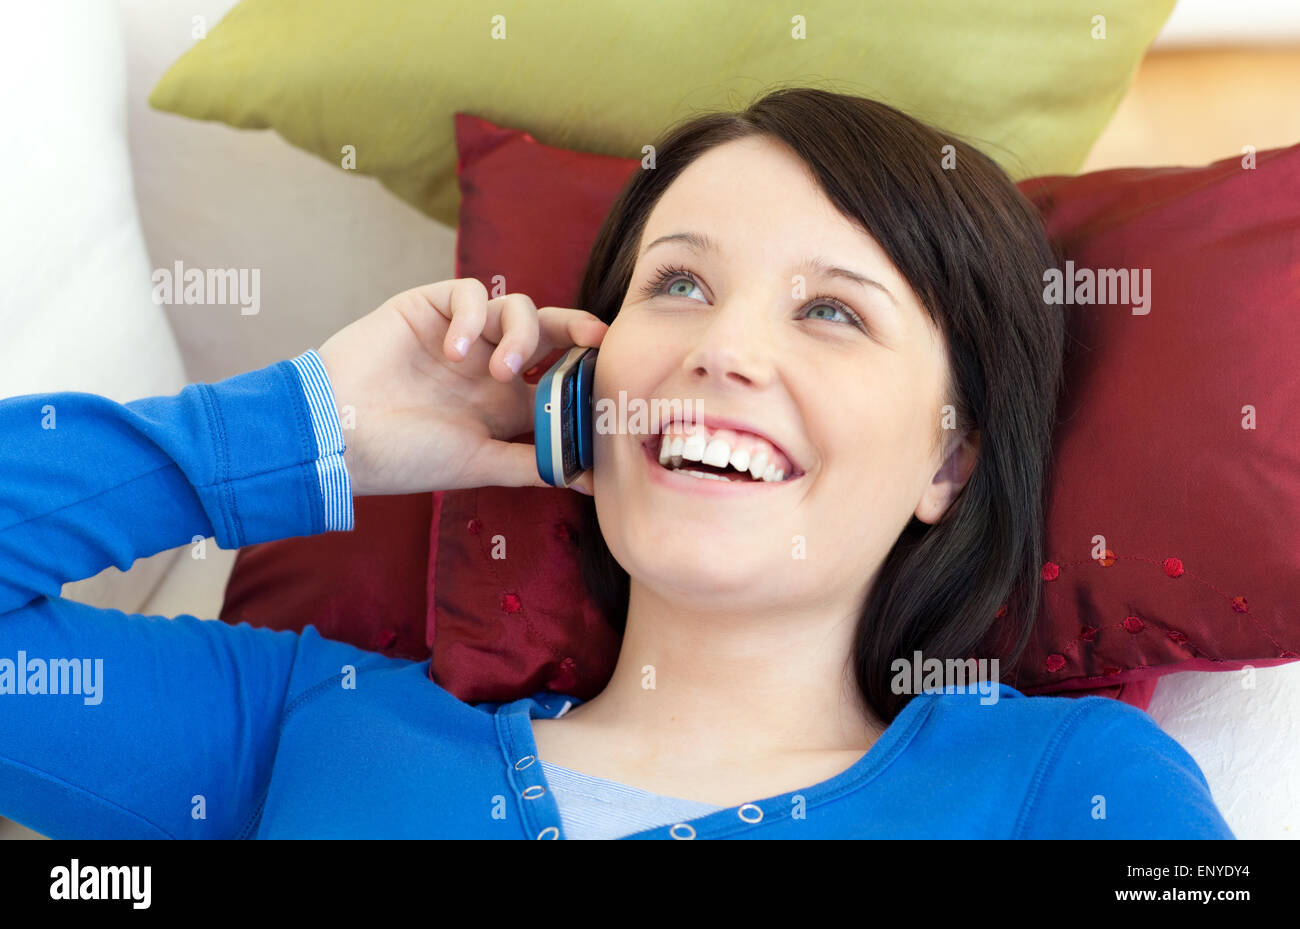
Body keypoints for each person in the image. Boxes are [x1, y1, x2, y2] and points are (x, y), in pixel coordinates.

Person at [0, 88, 1232, 839]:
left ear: (949, 462)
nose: (722, 350)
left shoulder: (1070, 785)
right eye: (680, 284)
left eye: (834, 312)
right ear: (588, 389)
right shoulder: (318, 727)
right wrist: (309, 423)